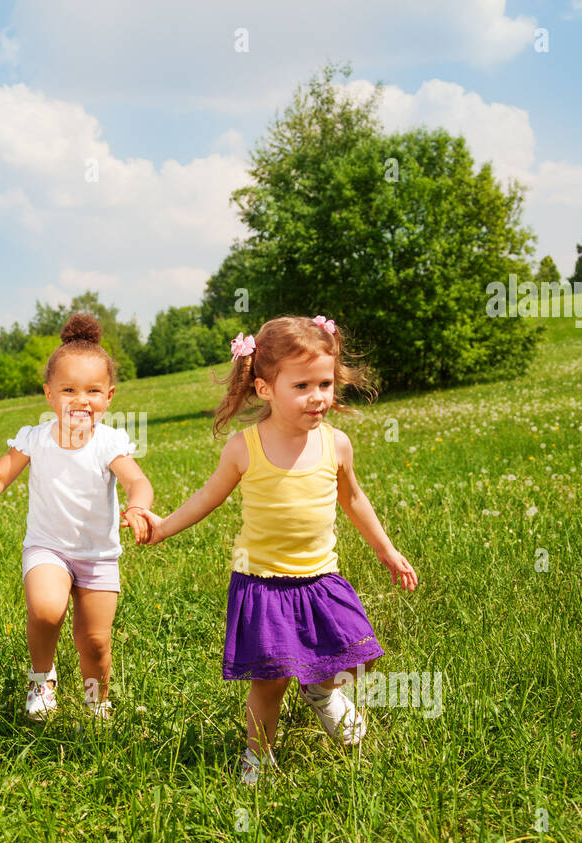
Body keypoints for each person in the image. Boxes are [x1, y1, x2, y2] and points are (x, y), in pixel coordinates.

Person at [142, 315, 417, 783]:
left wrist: (387, 551)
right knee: (268, 683)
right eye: (303, 385)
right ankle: (257, 756)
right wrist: (163, 527)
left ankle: (323, 693)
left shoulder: (337, 444)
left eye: (326, 383)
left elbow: (353, 500)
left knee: (350, 656)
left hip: (321, 579)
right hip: (263, 583)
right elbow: (208, 497)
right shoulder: (244, 447)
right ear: (265, 388)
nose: (318, 396)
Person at [0, 314, 153, 721]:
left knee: (94, 641)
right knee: (45, 610)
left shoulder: (110, 442)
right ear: (49, 394)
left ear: (109, 396)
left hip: (98, 556)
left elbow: (137, 481)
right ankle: (42, 680)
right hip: (48, 548)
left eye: (93, 390)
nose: (81, 400)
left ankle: (96, 700)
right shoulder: (35, 439)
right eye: (68, 389)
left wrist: (138, 507)